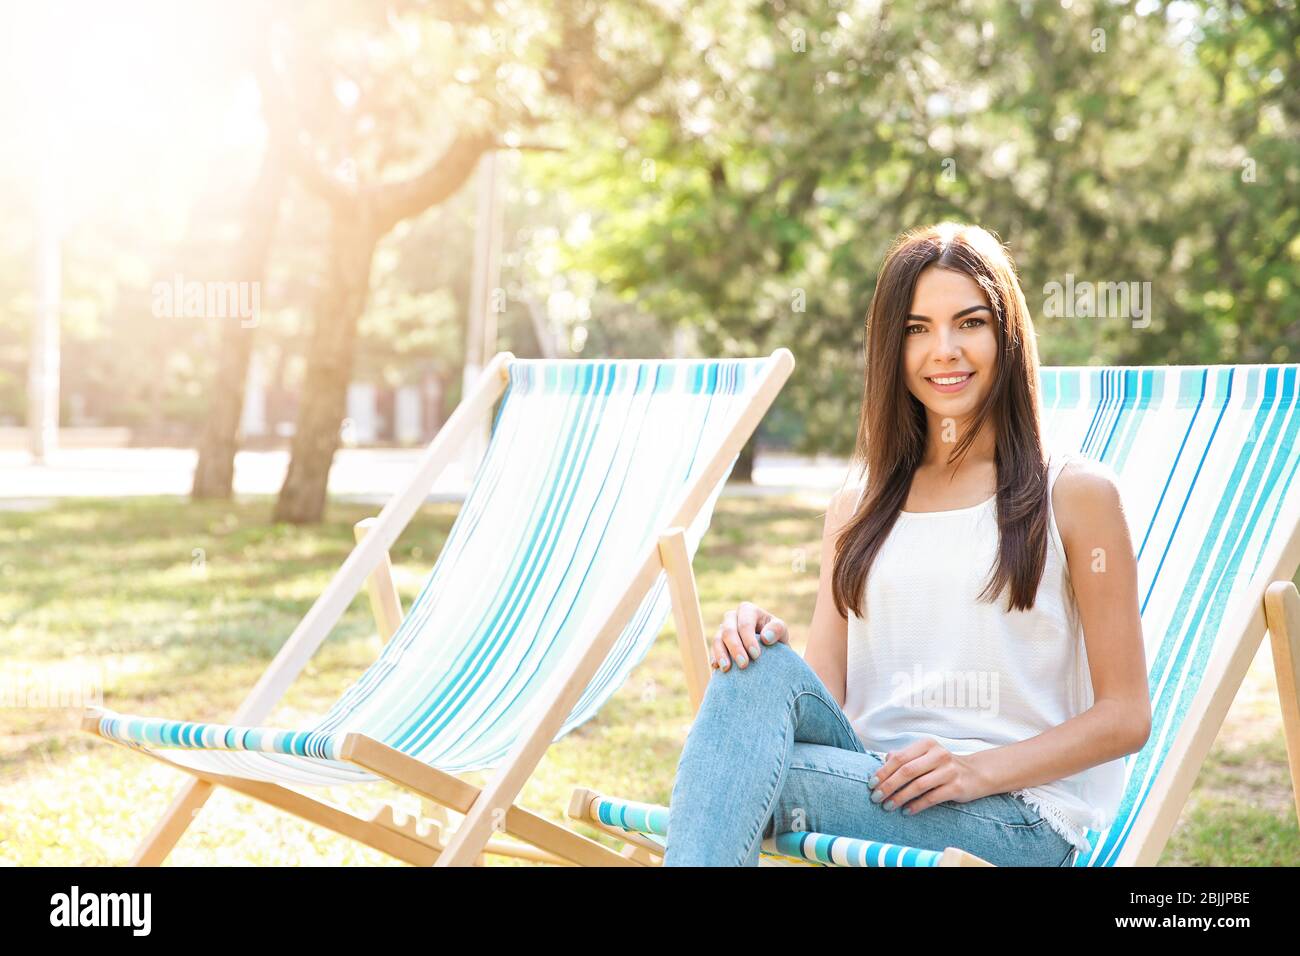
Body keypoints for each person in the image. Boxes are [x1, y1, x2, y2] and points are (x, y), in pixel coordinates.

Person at [661, 222, 1152, 867]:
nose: (943, 350)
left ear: (1005, 335)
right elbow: (827, 700)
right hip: (873, 785)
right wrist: (759, 638)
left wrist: (977, 770)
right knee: (750, 675)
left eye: (968, 323)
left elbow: (1126, 716)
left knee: (730, 764)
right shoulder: (856, 510)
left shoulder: (1075, 494)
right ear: (891, 349)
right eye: (917, 329)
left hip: (1014, 822)